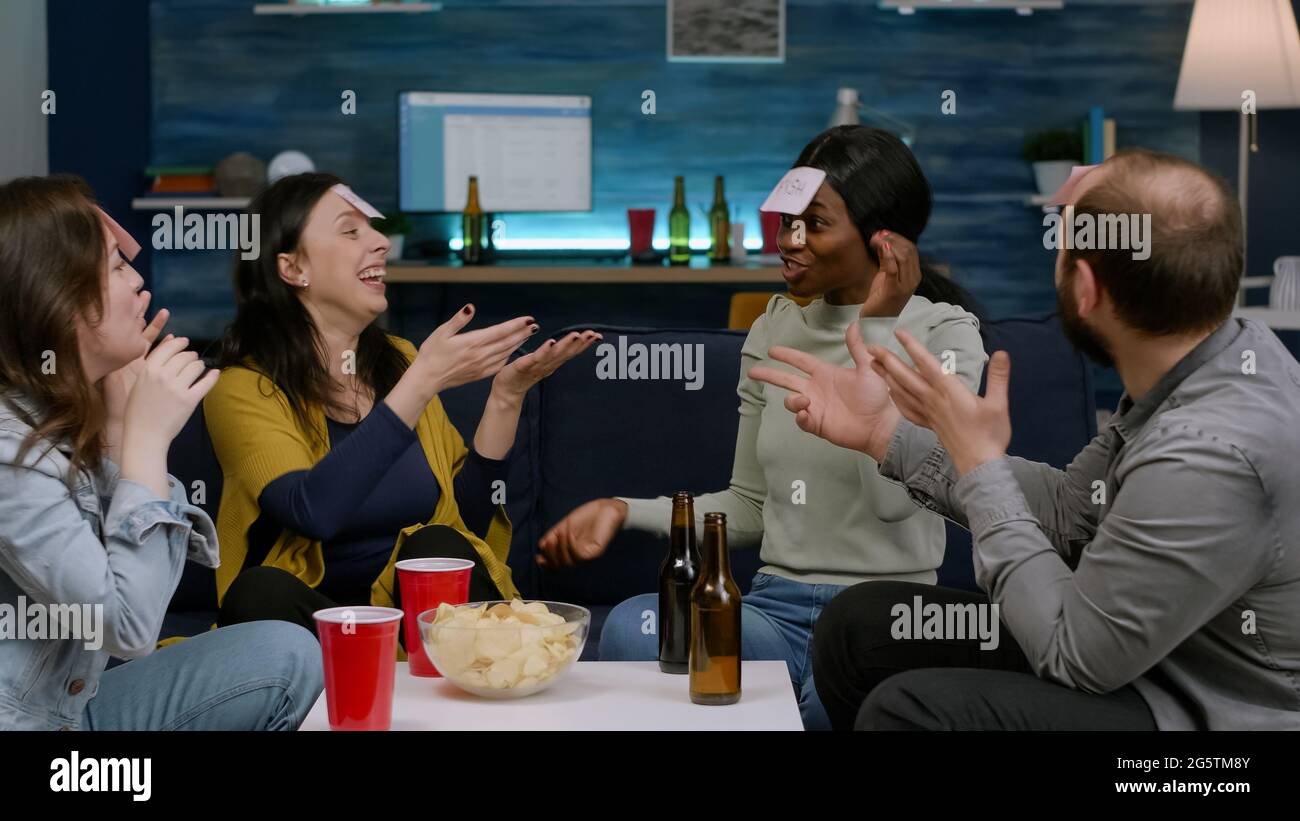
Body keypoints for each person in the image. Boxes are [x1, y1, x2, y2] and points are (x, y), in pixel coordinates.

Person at [751, 148, 1300, 730]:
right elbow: (1069, 512)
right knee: (862, 627)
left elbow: (1073, 655)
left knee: (908, 711)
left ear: (1084, 287)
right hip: (1147, 664)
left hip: (1205, 723)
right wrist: (886, 434)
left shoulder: (1208, 450)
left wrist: (981, 465)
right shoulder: (1205, 364)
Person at [538, 126, 989, 729]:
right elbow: (749, 505)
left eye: (815, 224)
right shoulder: (776, 329)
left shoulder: (947, 336)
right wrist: (624, 509)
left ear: (884, 242)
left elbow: (892, 504)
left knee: (826, 709)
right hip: (772, 616)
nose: (788, 241)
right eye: (787, 221)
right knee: (632, 628)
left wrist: (876, 330)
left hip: (886, 621)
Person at [206, 173, 599, 635]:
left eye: (373, 229)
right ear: (293, 269)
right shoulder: (241, 388)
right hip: (321, 638)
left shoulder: (400, 361)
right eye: (351, 231)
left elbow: (464, 526)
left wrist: (505, 398)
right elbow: (312, 510)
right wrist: (423, 381)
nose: (379, 243)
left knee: (437, 545)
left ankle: (446, 685)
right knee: (258, 592)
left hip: (424, 632)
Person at [0, 175, 322, 730]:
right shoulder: (10, 451)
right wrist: (145, 445)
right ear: (58, 297)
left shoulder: (71, 412)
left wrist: (122, 434)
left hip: (72, 709)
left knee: (284, 653)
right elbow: (129, 627)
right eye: (118, 267)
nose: (139, 282)